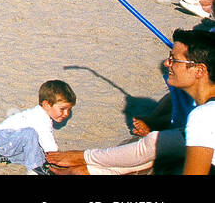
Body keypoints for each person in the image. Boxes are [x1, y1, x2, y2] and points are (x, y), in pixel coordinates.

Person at [48, 30, 215, 175]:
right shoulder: (206, 112)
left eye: (174, 59)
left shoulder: (203, 116)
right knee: (155, 143)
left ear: (199, 70)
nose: (166, 63)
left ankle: (86, 164)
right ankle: (88, 168)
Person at [0, 80, 76, 175]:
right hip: (4, 138)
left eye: (69, 109)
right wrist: (59, 158)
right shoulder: (41, 118)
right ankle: (35, 167)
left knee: (39, 154)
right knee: (30, 134)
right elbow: (48, 143)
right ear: (46, 105)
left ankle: (4, 156)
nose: (66, 114)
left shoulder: (43, 115)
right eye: (62, 109)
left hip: (11, 142)